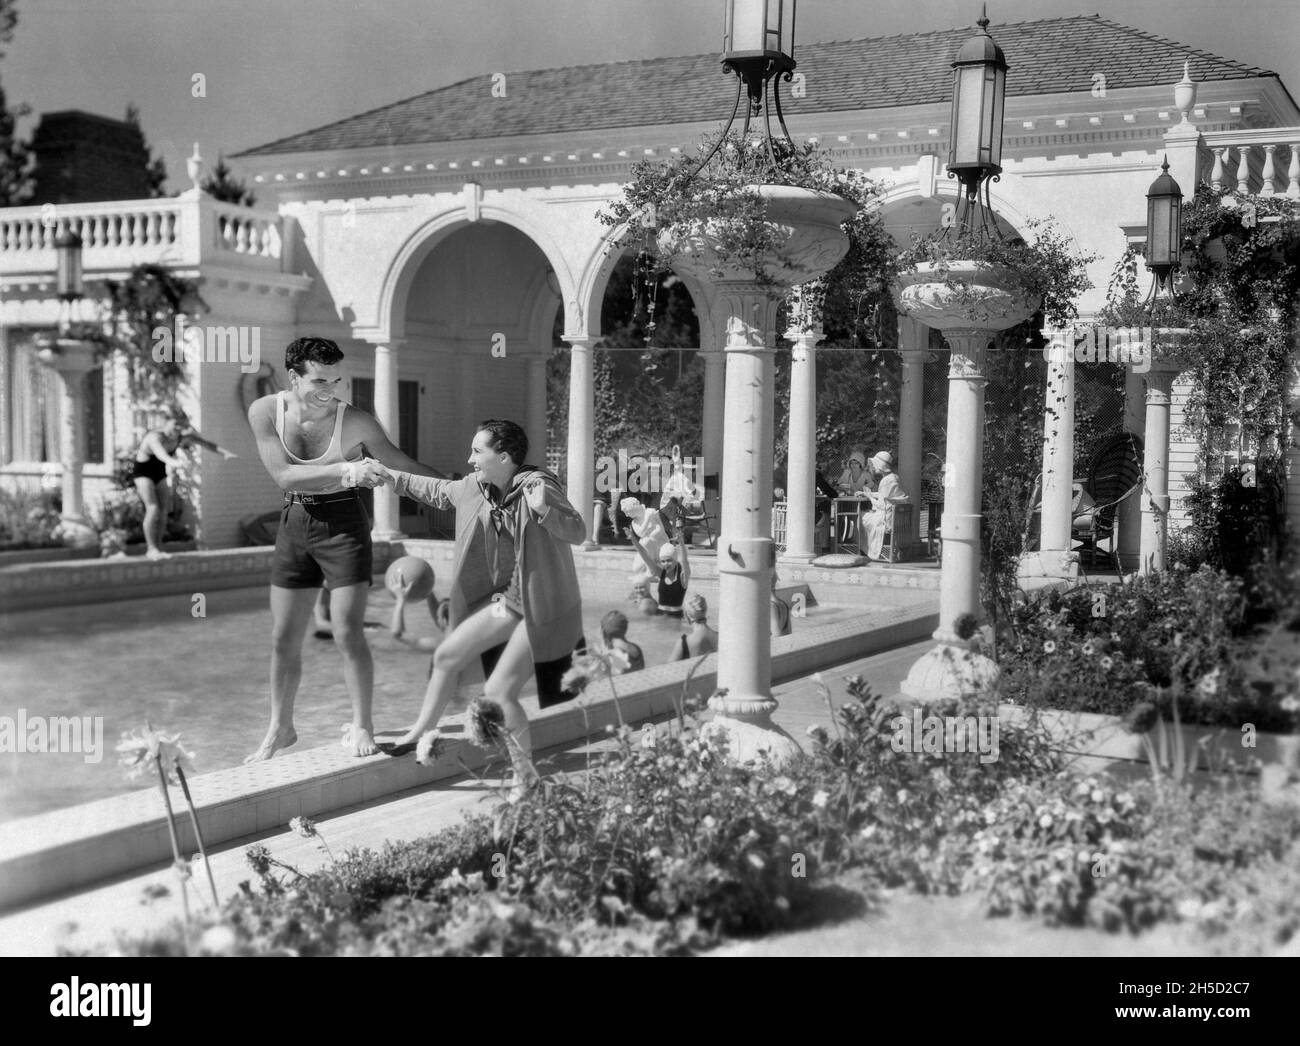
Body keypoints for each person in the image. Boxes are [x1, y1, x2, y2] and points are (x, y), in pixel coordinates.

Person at [244, 336, 444, 762]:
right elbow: (283, 477)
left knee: (347, 632)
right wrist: (349, 469)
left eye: (335, 380)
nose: (329, 390)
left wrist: (454, 490)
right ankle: (281, 727)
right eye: (319, 380)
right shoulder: (265, 412)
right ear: (293, 376)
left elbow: (399, 463)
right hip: (295, 522)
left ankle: (363, 725)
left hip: (343, 525)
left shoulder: (356, 421)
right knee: (283, 638)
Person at [384, 420, 587, 799]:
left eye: (478, 451)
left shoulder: (538, 486)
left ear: (504, 456)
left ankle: (526, 778)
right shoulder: (477, 488)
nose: (469, 458)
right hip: (510, 602)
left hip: (542, 605)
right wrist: (385, 475)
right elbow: (434, 490)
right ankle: (418, 733)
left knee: (498, 692)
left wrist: (545, 510)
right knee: (447, 655)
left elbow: (579, 531)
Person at [131, 409, 238, 559]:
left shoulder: (181, 436)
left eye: (181, 425)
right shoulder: (154, 436)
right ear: (166, 422)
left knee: (163, 510)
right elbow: (161, 454)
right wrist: (175, 462)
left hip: (159, 472)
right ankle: (151, 548)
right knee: (153, 507)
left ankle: (159, 548)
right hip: (143, 472)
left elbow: (207, 444)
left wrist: (225, 453)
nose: (178, 428)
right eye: (176, 424)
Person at [859, 451, 912, 562]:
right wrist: (867, 493)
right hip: (896, 516)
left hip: (885, 517)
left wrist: (869, 497)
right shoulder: (894, 477)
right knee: (866, 515)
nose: (872, 467)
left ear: (880, 465)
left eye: (874, 464)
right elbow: (886, 496)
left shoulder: (886, 480)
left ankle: (865, 550)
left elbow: (882, 505)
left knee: (861, 516)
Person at [633, 522, 690, 615]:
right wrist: (633, 539)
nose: (666, 564)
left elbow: (685, 561)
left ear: (675, 560)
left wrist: (682, 544)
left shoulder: (682, 578)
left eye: (669, 560)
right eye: (663, 561)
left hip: (675, 618)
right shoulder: (661, 574)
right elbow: (645, 556)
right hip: (659, 615)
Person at [621, 496, 667, 580]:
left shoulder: (650, 511)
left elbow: (660, 529)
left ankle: (651, 573)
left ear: (634, 505)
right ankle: (650, 571)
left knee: (646, 541)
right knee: (636, 568)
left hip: (660, 545)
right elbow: (641, 534)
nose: (627, 515)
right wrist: (648, 518)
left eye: (627, 512)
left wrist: (650, 538)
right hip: (646, 547)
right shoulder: (634, 522)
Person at [668, 593, 718, 662]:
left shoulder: (684, 643)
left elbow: (669, 667)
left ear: (687, 615)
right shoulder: (721, 638)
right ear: (705, 611)